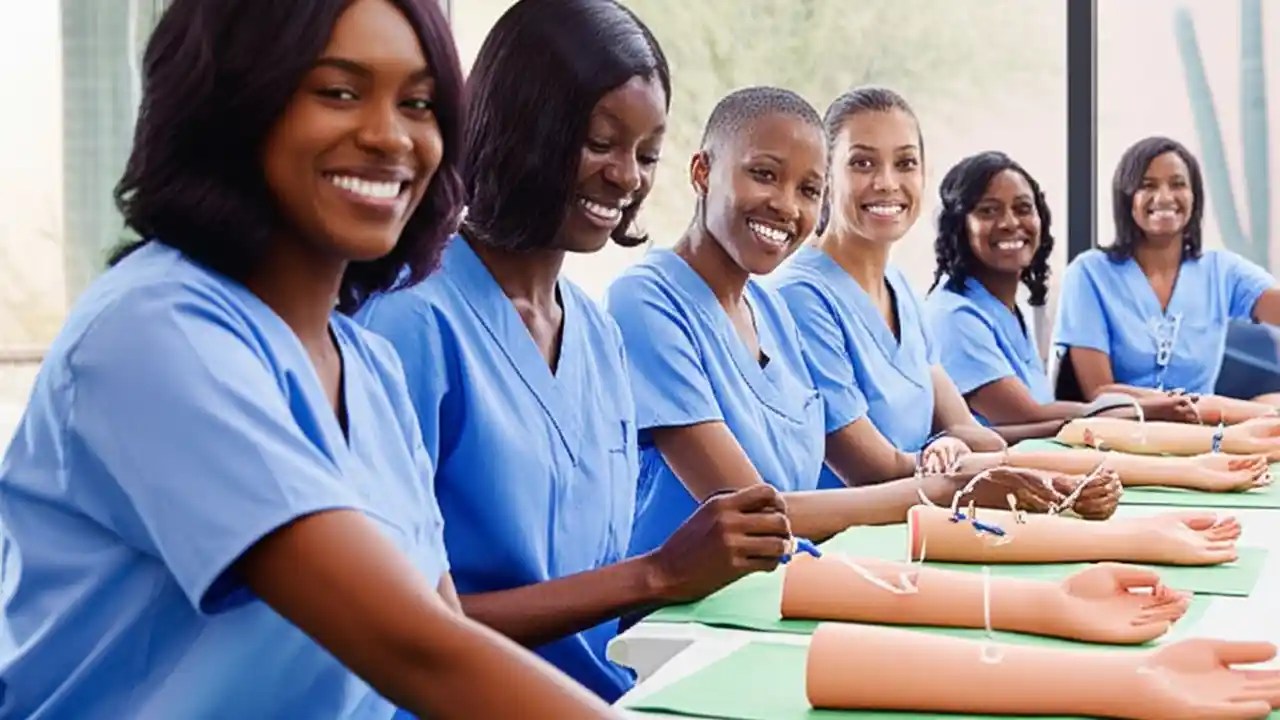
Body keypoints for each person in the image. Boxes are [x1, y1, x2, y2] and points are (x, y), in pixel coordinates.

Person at [0, 1, 618, 717]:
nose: (390, 136)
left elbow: (441, 632)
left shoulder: (369, 368)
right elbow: (413, 649)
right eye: (339, 92)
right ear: (233, 100)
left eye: (419, 104)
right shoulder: (151, 334)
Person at [357, 0, 788, 705]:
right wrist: (659, 573)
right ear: (520, 130)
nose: (627, 176)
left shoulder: (597, 335)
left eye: (646, 154)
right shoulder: (409, 323)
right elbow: (389, 626)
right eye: (599, 143)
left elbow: (594, 595)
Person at [605, 87, 1094, 557]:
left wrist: (959, 464)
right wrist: (948, 488)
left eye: (808, 190)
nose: (787, 205)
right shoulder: (648, 299)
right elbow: (755, 514)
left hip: (792, 576)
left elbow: (944, 442)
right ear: (702, 171)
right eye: (764, 174)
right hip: (686, 608)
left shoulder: (770, 313)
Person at [770, 86, 1008, 491]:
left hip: (924, 512)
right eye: (862, 163)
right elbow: (873, 470)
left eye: (905, 163)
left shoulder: (901, 290)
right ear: (824, 176)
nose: (887, 182)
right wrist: (946, 452)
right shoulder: (799, 298)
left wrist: (952, 445)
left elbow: (979, 437)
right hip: (846, 528)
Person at [925, 150, 1199, 442]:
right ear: (959, 226)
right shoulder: (954, 315)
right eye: (988, 211)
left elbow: (1042, 414)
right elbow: (1025, 415)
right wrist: (1138, 412)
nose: (1010, 222)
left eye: (1023, 208)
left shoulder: (1004, 309)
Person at [1054, 136, 1280, 420]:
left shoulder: (1222, 270)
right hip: (1125, 427)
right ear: (1126, 197)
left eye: (1177, 184)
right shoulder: (1089, 273)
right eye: (1147, 185)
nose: (1164, 197)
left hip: (1204, 428)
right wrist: (1179, 405)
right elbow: (1098, 391)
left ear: (1194, 196)